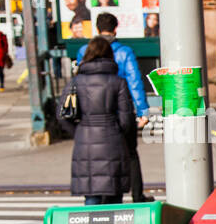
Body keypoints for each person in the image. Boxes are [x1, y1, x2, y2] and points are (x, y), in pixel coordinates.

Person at [77, 12, 151, 202]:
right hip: (120, 111)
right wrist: (142, 111)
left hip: (93, 114)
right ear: (116, 27)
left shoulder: (84, 50)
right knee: (131, 154)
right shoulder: (124, 52)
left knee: (95, 159)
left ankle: (96, 201)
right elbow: (134, 82)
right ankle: (136, 194)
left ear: (97, 27)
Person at [58, 37, 133, 206]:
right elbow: (126, 119)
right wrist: (117, 131)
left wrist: (78, 131)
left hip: (85, 140)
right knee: (114, 200)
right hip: (112, 140)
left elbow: (62, 115)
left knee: (91, 199)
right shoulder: (118, 82)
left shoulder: (75, 82)